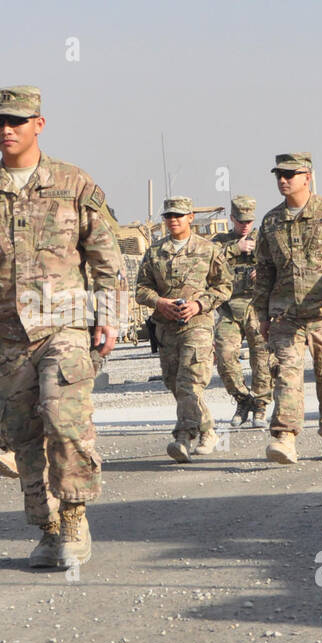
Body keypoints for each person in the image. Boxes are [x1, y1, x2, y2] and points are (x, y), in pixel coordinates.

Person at [0, 85, 123, 569]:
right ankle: (49, 526)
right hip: (7, 332)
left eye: (17, 120)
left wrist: (112, 316)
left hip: (65, 328)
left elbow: (105, 254)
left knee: (65, 421)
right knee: (22, 435)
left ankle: (76, 518)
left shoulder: (73, 182)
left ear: (39, 123)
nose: (7, 129)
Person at [252, 152, 322, 463]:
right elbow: (264, 271)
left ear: (308, 177)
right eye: (279, 175)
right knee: (286, 374)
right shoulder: (272, 221)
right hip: (287, 317)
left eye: (290, 174)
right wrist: (260, 314)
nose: (283, 180)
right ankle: (284, 437)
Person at [135, 196, 232, 463]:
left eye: (178, 215)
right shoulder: (155, 252)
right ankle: (207, 429)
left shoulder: (208, 250)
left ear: (191, 217)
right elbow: (141, 289)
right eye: (168, 216)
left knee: (189, 382)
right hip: (166, 328)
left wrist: (200, 304)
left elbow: (224, 287)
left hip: (197, 326)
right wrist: (160, 302)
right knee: (174, 384)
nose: (173, 220)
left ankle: (182, 437)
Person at [212, 194, 271, 427]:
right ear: (232, 219)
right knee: (225, 356)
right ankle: (242, 398)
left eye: (248, 221)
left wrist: (262, 270)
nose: (245, 225)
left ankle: (260, 405)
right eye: (240, 220)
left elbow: (280, 262)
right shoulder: (220, 241)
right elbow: (207, 261)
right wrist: (235, 248)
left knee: (263, 359)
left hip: (257, 307)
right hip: (229, 308)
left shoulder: (263, 239)